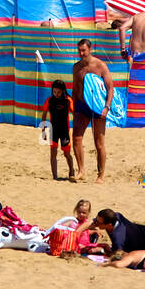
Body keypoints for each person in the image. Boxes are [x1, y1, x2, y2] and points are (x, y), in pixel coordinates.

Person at [71, 38, 114, 183]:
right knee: (76, 137)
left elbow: (110, 88)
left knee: (99, 142)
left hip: (98, 107)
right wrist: (74, 107)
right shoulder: (76, 67)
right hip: (82, 106)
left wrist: (106, 107)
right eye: (79, 50)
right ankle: (81, 170)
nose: (81, 53)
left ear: (90, 50)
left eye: (84, 50)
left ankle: (101, 175)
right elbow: (75, 88)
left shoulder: (100, 66)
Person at [42, 79, 74, 181]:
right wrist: (43, 130)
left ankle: (71, 171)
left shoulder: (68, 100)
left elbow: (75, 114)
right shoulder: (49, 100)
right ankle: (55, 176)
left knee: (67, 154)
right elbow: (44, 115)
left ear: (63, 91)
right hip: (53, 131)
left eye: (58, 92)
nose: (56, 94)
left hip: (65, 131)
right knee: (53, 153)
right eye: (54, 92)